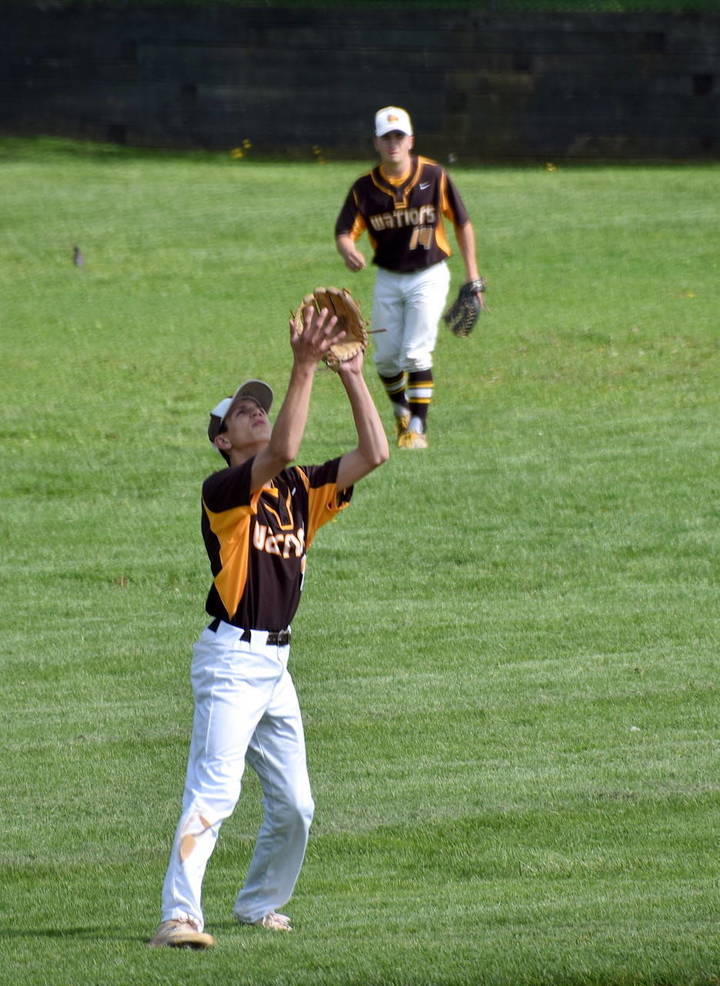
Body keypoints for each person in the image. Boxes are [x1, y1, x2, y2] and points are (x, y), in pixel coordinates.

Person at [149, 304, 389, 949]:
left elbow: (376, 451)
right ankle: (179, 918)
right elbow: (282, 445)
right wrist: (303, 365)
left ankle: (257, 904)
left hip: (276, 668)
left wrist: (352, 374)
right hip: (229, 663)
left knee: (296, 807)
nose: (256, 410)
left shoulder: (301, 489)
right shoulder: (224, 489)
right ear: (224, 441)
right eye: (241, 413)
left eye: (260, 404)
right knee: (214, 793)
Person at [335, 105, 487, 449]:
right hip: (388, 278)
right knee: (385, 358)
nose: (393, 143)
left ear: (411, 140)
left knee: (415, 354)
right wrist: (347, 250)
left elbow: (463, 223)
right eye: (386, 137)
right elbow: (344, 231)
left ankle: (417, 428)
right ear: (375, 142)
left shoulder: (434, 176)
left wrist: (473, 277)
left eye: (399, 136)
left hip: (429, 275)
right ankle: (401, 412)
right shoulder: (365, 188)